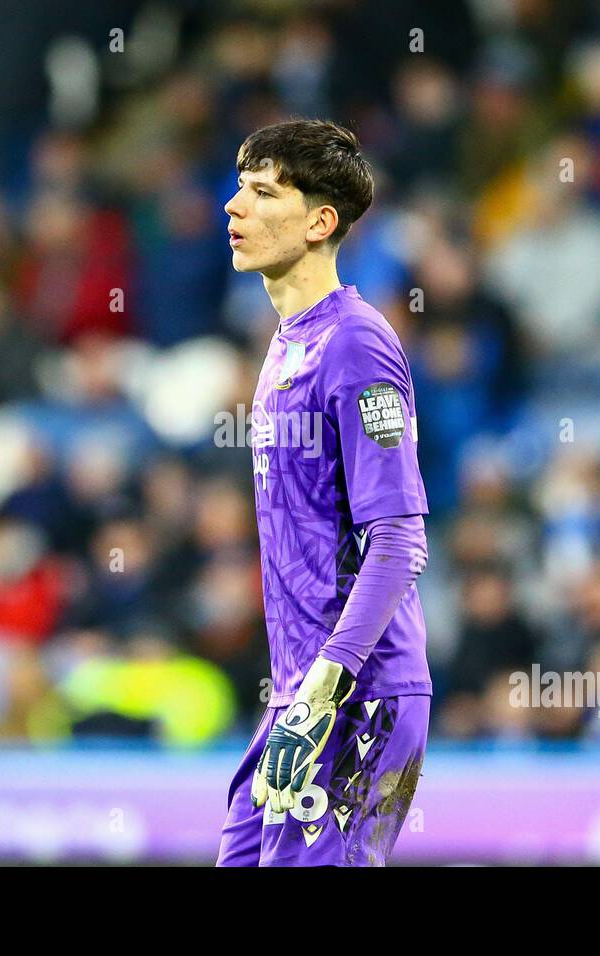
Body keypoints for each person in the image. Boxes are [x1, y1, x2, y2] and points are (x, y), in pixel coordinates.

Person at [214, 120, 432, 866]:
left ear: (319, 222)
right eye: (240, 187)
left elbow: (400, 541)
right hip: (298, 694)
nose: (233, 207)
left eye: (261, 191)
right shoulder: (285, 342)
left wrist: (323, 692)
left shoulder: (356, 343)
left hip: (355, 693)